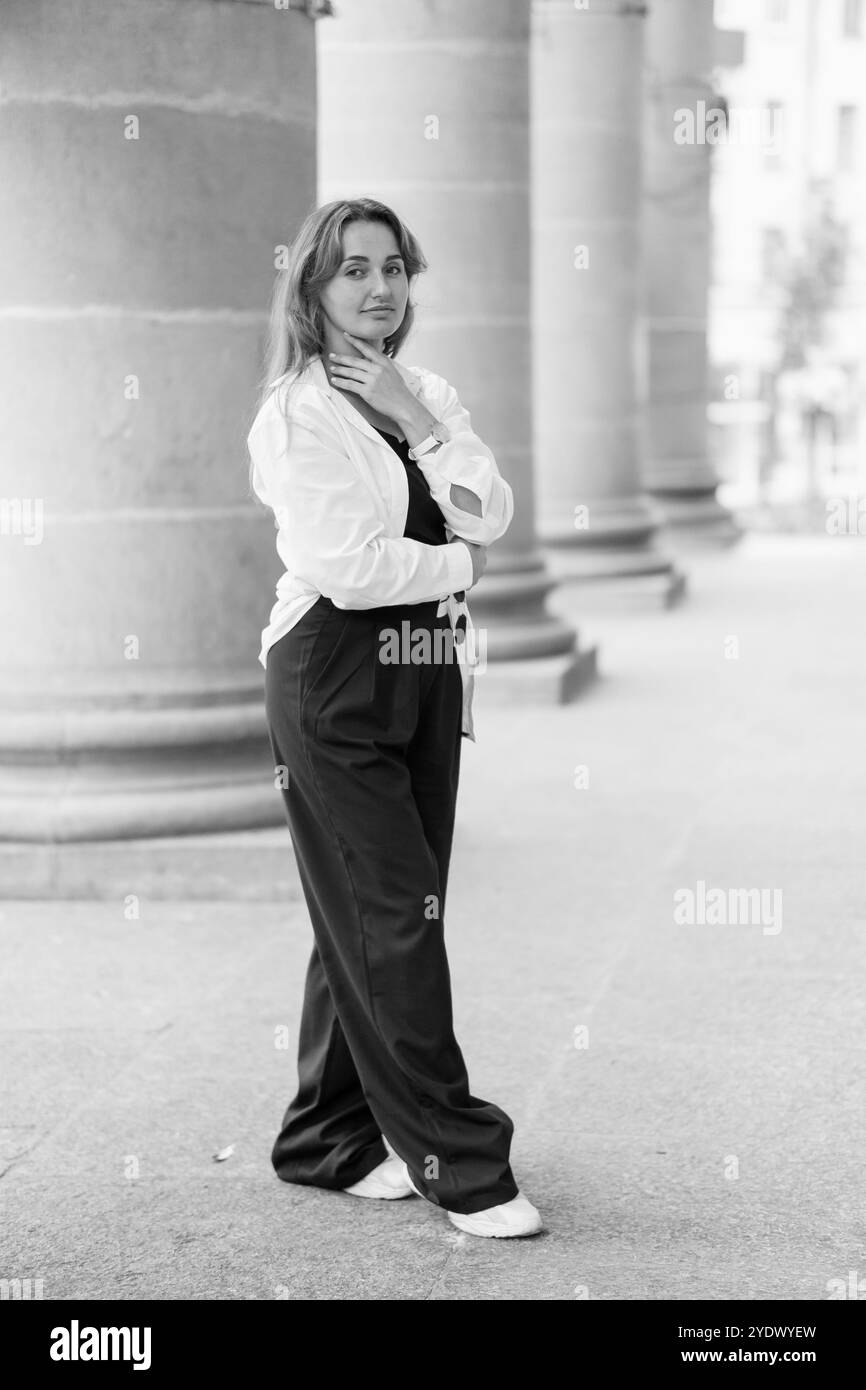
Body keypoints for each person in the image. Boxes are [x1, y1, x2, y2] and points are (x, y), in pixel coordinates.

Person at [247, 197, 543, 1239]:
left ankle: (324, 1136)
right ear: (313, 290)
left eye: (393, 268)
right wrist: (461, 564)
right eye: (352, 271)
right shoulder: (293, 415)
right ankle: (454, 1159)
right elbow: (350, 567)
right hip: (332, 672)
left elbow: (492, 504)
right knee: (392, 917)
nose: (379, 289)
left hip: (425, 669)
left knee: (375, 911)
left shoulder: (429, 393)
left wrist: (420, 424)